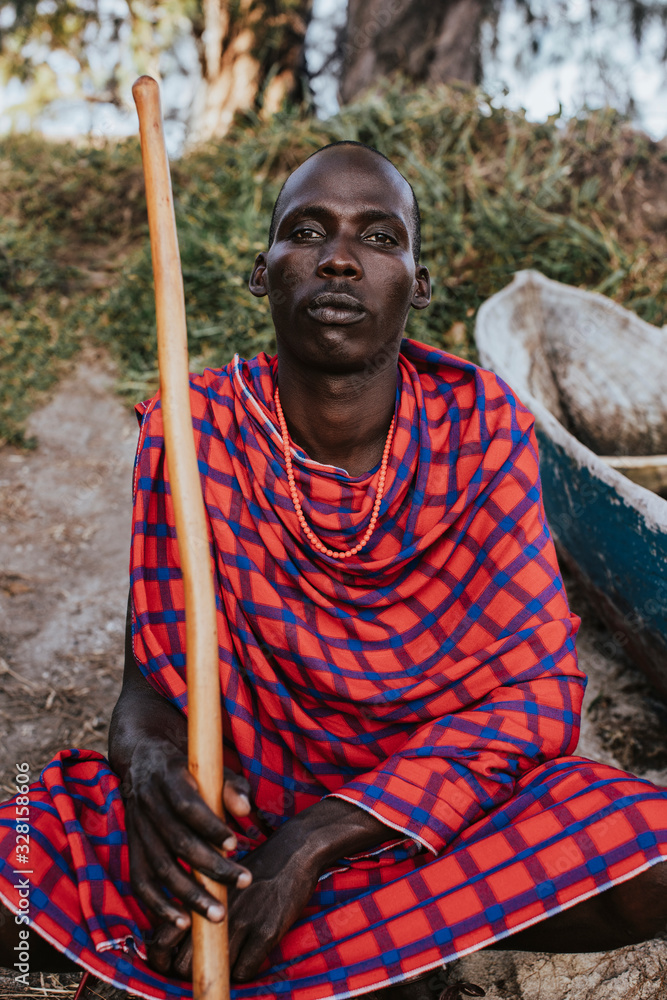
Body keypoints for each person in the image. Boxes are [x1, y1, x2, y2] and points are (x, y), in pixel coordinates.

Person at [1, 141, 666, 1000]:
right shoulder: (192, 429)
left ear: (416, 283)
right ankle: (370, 955)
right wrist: (152, 779)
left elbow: (534, 700)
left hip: (422, 825)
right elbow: (152, 688)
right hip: (239, 826)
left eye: (379, 238)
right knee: (27, 848)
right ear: (263, 271)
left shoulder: (481, 427)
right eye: (307, 231)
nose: (340, 258)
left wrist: (313, 841)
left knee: (648, 857)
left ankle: (327, 934)